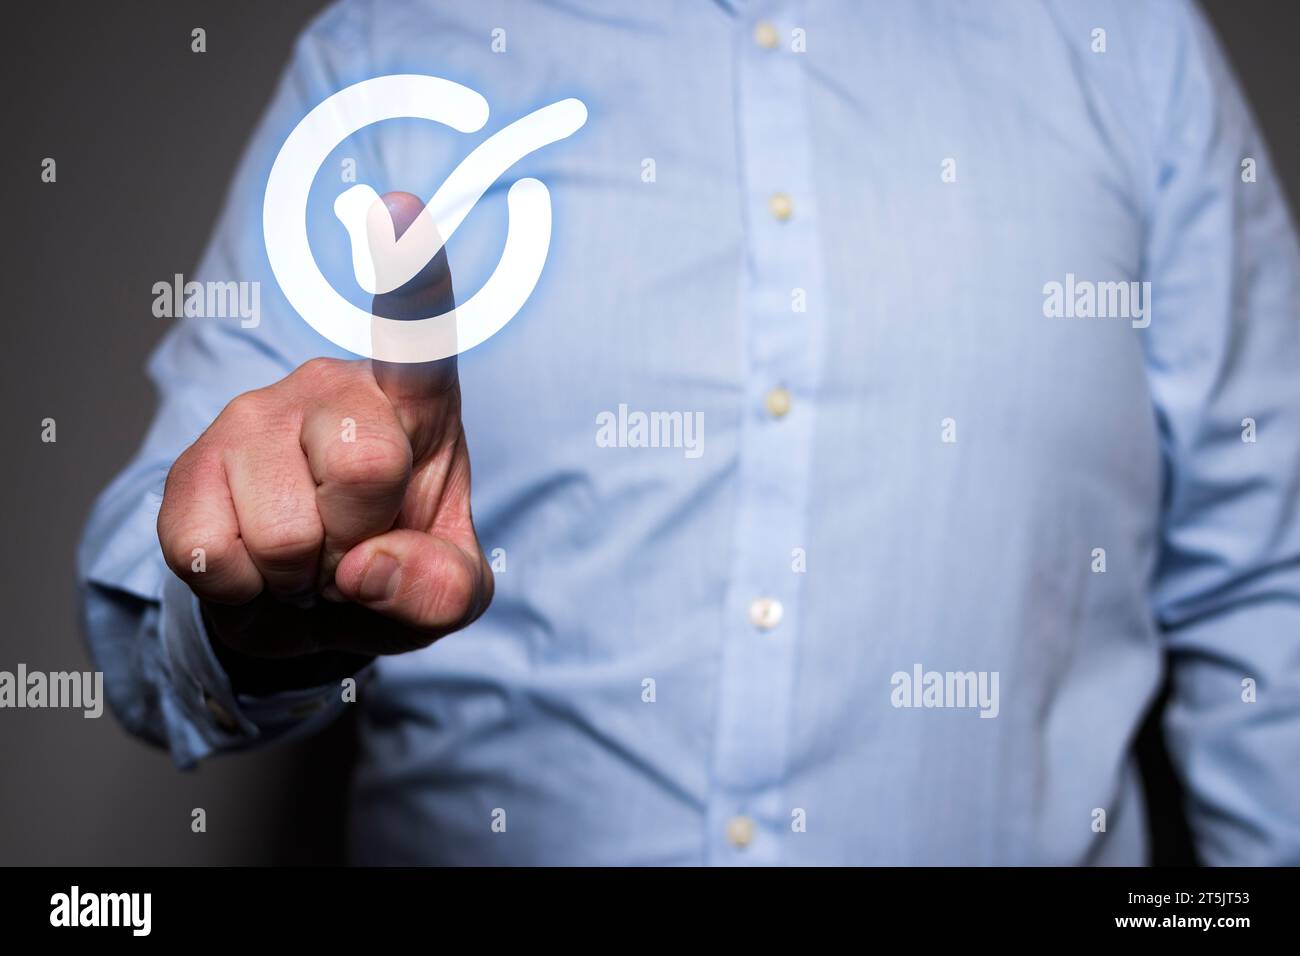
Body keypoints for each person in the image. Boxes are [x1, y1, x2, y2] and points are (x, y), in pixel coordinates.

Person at [79, 0, 1300, 865]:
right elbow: (153, 588)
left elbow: (1272, 586)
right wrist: (267, 597)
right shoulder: (390, 49)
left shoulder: (1126, 41)